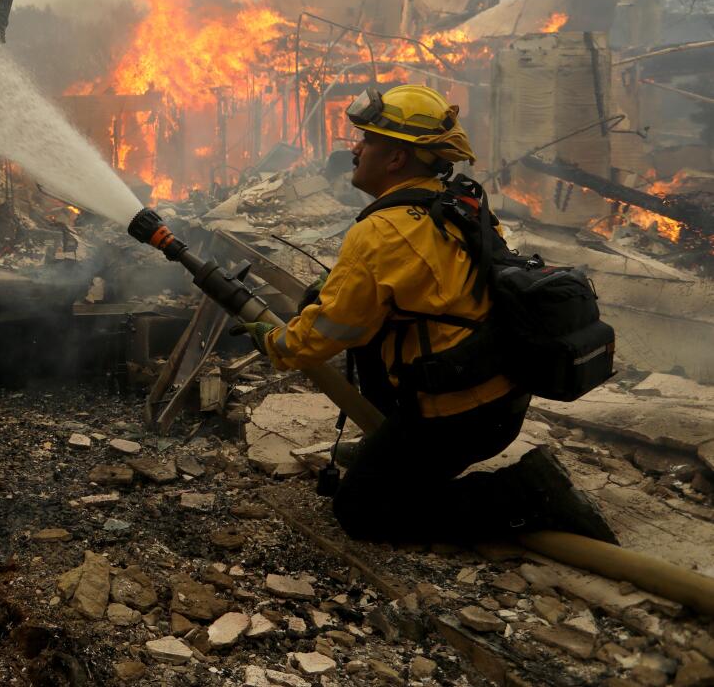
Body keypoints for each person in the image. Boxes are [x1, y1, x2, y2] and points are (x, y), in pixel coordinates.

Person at [237, 84, 616, 545]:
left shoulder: (382, 232)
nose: (355, 149)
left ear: (396, 158)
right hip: (503, 395)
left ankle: (529, 493)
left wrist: (275, 343)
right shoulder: (457, 200)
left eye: (367, 140)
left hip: (457, 418)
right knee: (379, 341)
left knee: (361, 512)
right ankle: (395, 449)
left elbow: (330, 333)